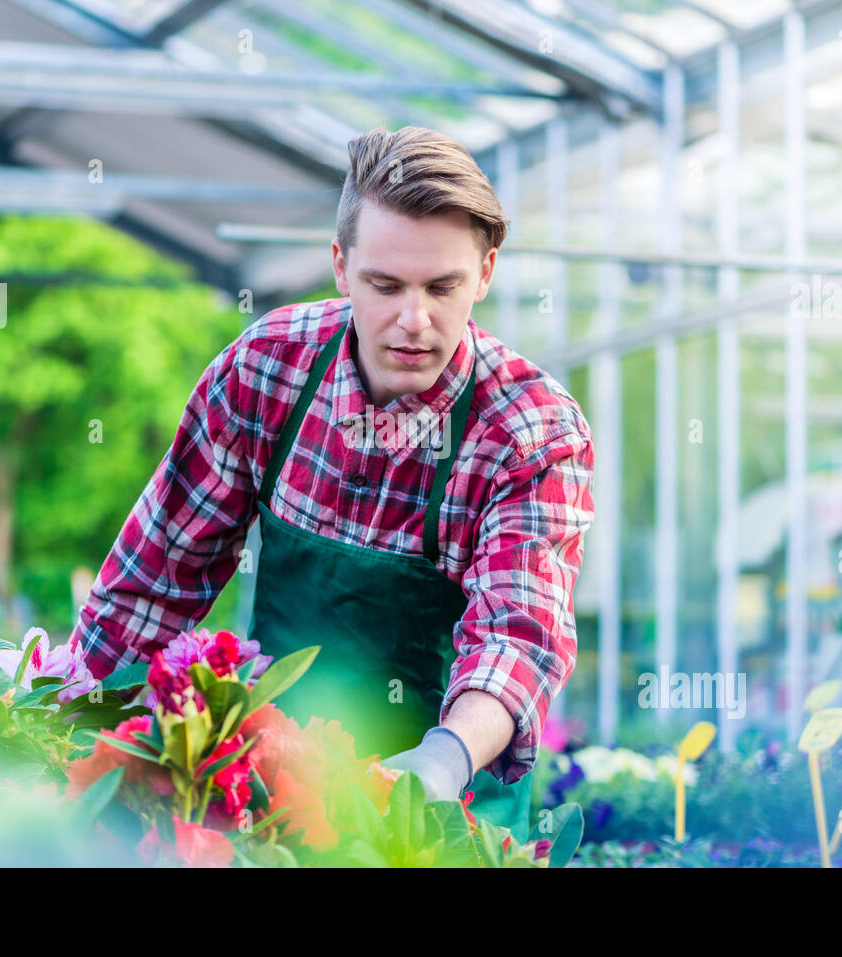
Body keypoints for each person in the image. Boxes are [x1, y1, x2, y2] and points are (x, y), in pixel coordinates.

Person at [70, 125, 595, 842]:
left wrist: (440, 763)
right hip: (275, 802)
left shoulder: (529, 429)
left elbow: (517, 636)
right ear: (342, 266)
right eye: (385, 285)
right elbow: (155, 581)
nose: (415, 321)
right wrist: (72, 725)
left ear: (487, 272)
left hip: (445, 818)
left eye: (444, 287)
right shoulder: (266, 369)